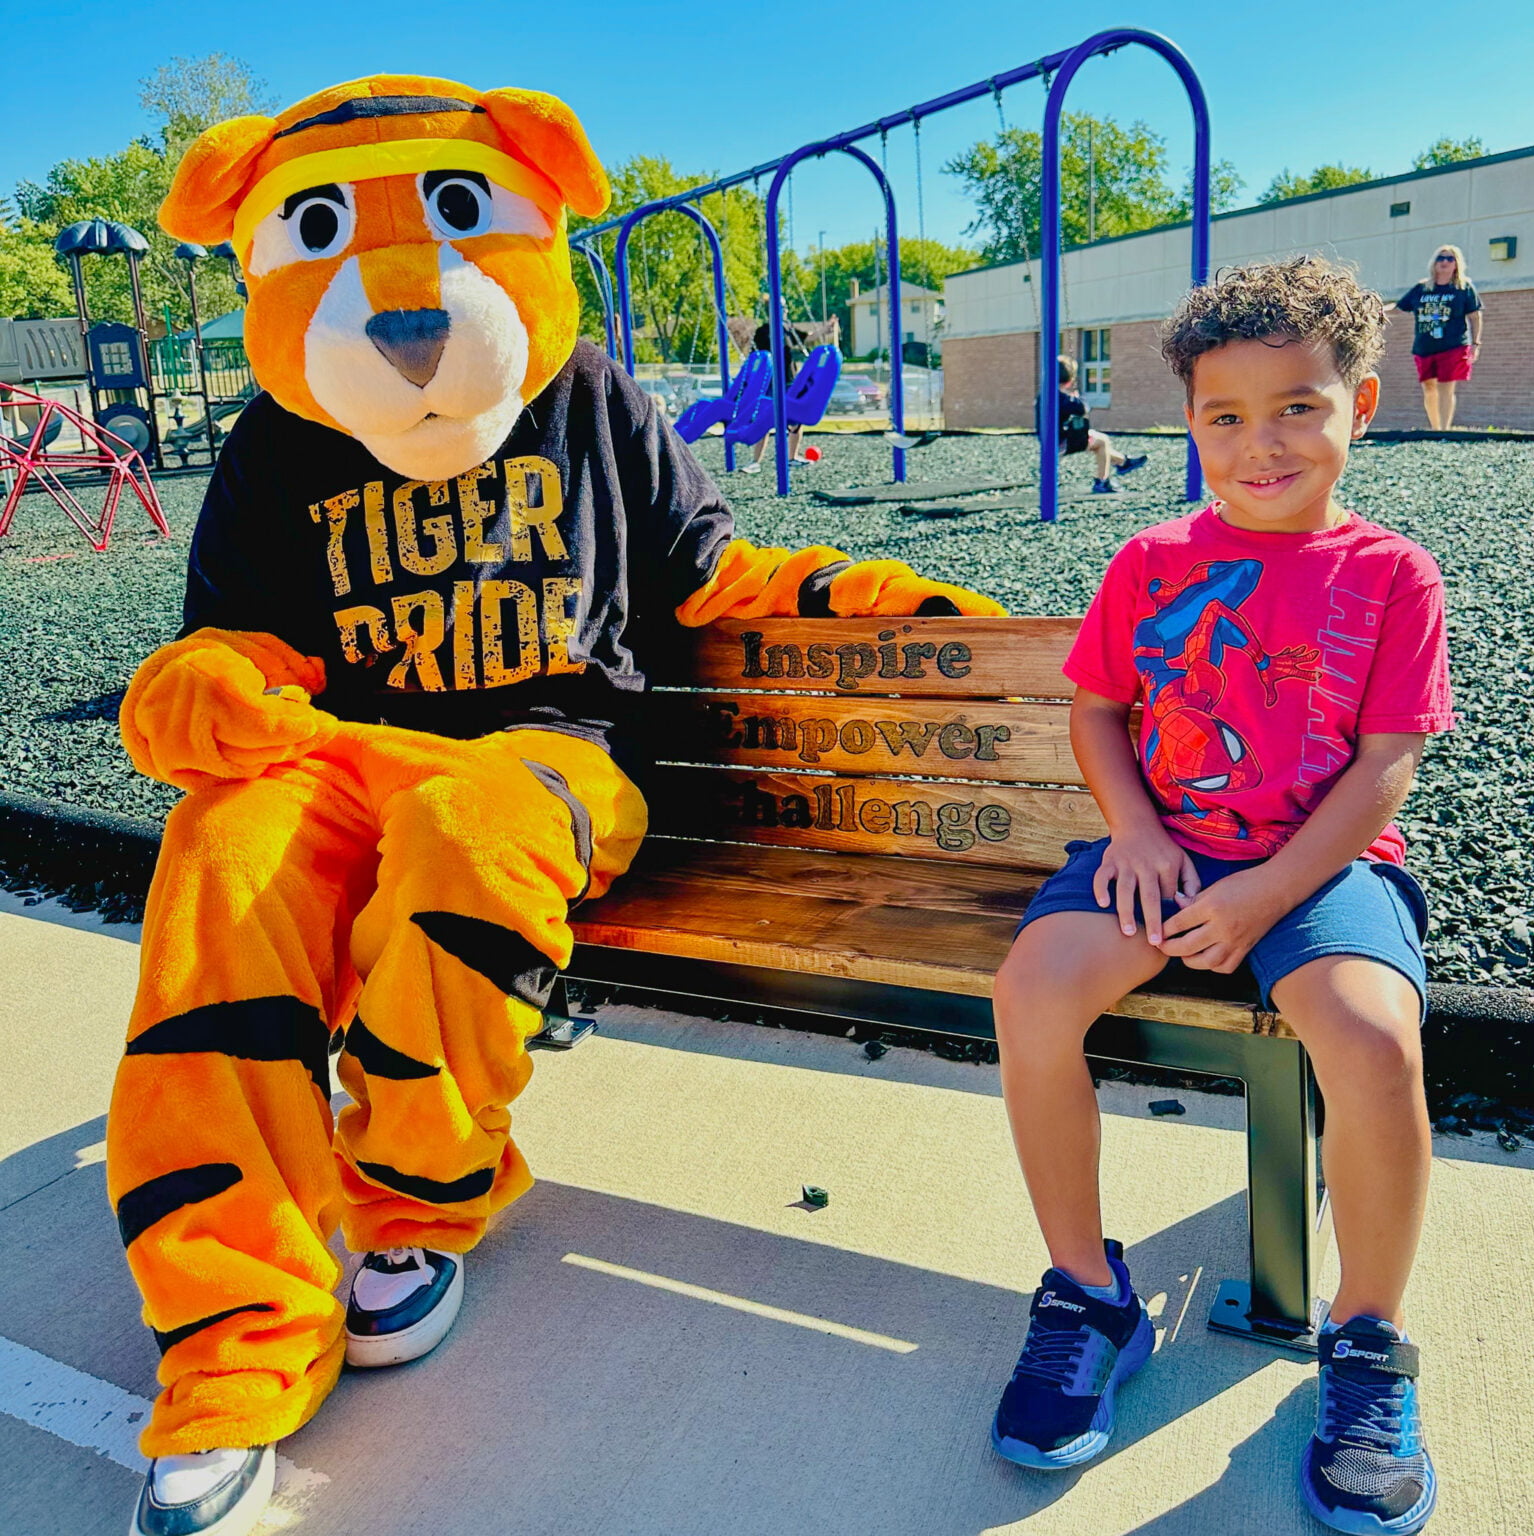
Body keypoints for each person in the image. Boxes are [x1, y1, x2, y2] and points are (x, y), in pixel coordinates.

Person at [111, 73, 1006, 1536]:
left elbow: (710, 573)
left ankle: (407, 1207)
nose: (401, 300)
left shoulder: (587, 394)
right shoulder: (280, 440)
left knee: (477, 833)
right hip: (351, 761)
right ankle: (232, 1341)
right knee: (223, 849)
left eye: (456, 218)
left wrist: (876, 604)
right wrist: (202, 678)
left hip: (550, 759)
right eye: (328, 236)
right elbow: (238, 634)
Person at [991, 256, 1453, 1536]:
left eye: (1299, 406)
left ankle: (1367, 1341)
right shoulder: (1149, 560)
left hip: (1319, 871)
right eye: (1225, 417)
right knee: (1031, 993)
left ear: (1361, 402)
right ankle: (1088, 1295)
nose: (1263, 443)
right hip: (1163, 853)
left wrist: (1260, 897)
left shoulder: (1392, 576)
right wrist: (1131, 833)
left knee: (1369, 1040)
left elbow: (1382, 772)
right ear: (1188, 423)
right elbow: (1098, 709)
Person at [1393, 245, 1483, 428]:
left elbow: (1475, 315)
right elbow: (1398, 308)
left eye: (1450, 259)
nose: (1444, 262)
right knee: (1429, 388)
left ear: (1456, 264)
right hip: (1424, 346)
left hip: (1453, 345)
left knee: (1446, 387)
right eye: (1440, 258)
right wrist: (1375, 310)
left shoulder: (1463, 288)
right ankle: (1435, 429)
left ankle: (1445, 429)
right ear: (1433, 263)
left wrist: (1475, 343)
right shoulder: (1422, 288)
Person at [1038, 354, 1147, 493]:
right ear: (1068, 381)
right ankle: (1102, 482)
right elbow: (1083, 409)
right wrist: (1076, 399)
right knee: (1103, 441)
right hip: (1062, 443)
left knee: (1097, 443)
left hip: (1050, 441)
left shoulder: (1044, 395)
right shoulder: (1062, 398)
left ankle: (1124, 462)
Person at [740, 319, 806, 473]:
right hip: (769, 381)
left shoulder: (788, 330)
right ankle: (755, 461)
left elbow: (807, 338)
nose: (783, 313)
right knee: (764, 419)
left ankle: (792, 457)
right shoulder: (763, 331)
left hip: (788, 380)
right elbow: (755, 354)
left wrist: (826, 329)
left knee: (796, 422)